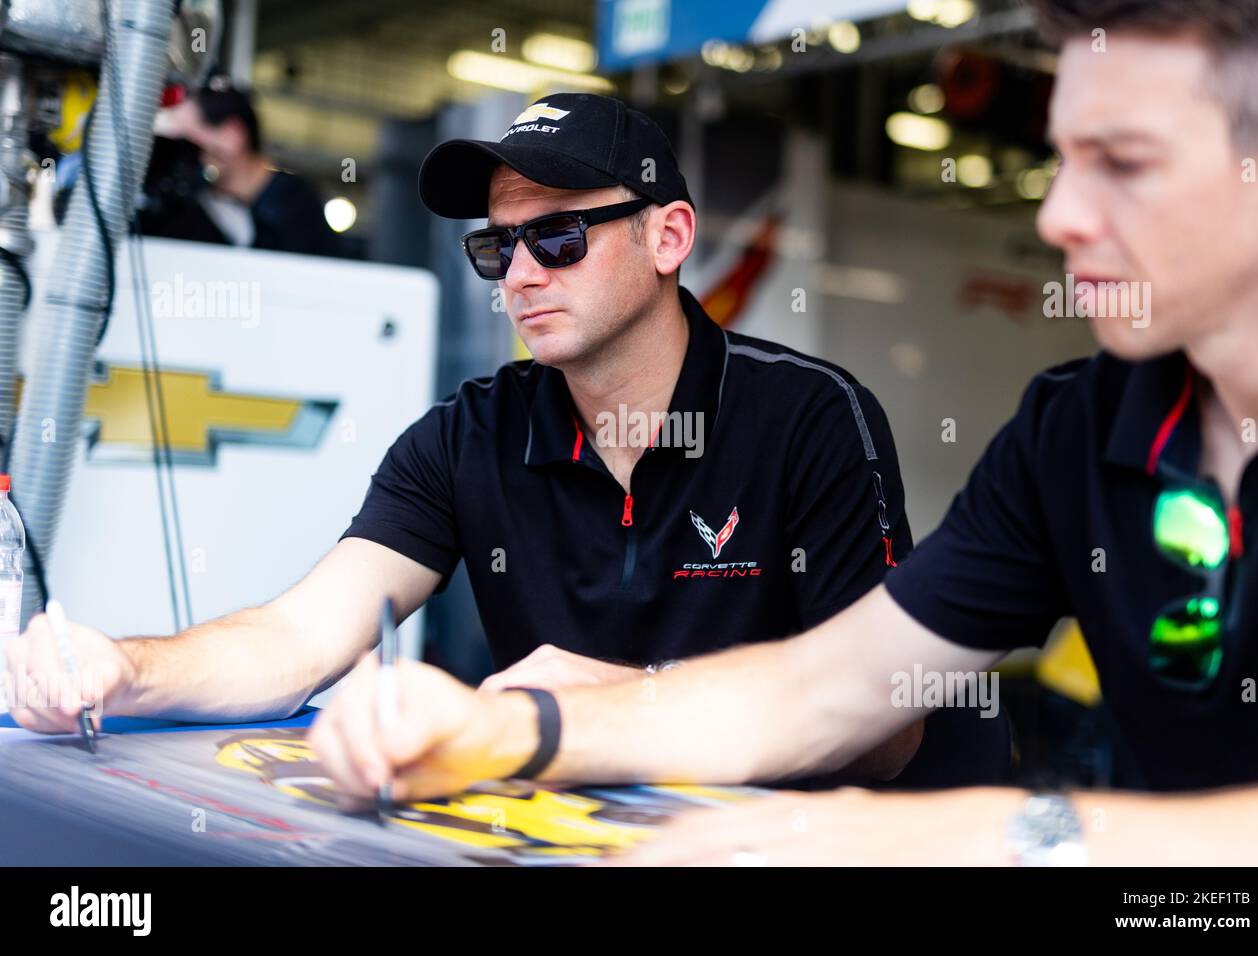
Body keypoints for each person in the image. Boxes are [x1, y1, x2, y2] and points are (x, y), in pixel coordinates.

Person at [302, 0, 1258, 865]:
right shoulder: (1075, 429)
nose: (1059, 215)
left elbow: (893, 749)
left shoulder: (809, 413)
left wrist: (976, 835)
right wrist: (507, 724)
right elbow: (828, 685)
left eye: (1122, 162)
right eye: (1064, 158)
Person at [6, 93, 1005, 788]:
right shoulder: (467, 434)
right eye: (497, 245)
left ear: (667, 238)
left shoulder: (808, 415)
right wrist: (122, 666)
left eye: (559, 238)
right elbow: (300, 635)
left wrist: (595, 701)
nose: (519, 272)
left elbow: (885, 730)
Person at [143, 78, 340, 257]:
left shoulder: (295, 204)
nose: (186, 156)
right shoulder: (197, 205)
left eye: (190, 142)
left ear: (232, 135)